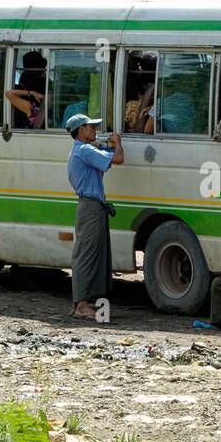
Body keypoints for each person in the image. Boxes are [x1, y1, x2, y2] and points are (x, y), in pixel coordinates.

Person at [66, 112, 124, 320]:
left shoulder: (81, 150)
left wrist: (107, 145)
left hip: (91, 206)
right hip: (91, 208)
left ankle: (80, 303)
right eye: (91, 127)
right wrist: (118, 142)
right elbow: (118, 158)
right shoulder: (85, 150)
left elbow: (105, 157)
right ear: (81, 130)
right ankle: (81, 305)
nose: (95, 130)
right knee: (86, 255)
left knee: (90, 253)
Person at [7, 52, 47, 129]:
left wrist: (30, 92)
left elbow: (9, 93)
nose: (26, 70)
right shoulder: (26, 76)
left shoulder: (31, 108)